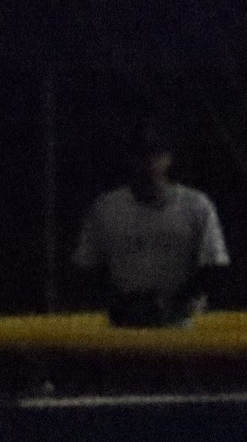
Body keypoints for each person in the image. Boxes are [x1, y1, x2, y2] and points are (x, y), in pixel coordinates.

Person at [71, 128, 230, 327]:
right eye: (140, 155)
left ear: (168, 158)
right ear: (129, 160)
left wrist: (174, 300)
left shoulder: (195, 205)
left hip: (179, 324)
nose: (148, 163)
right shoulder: (105, 209)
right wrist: (121, 302)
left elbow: (214, 266)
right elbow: (87, 267)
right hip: (124, 325)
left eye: (155, 154)